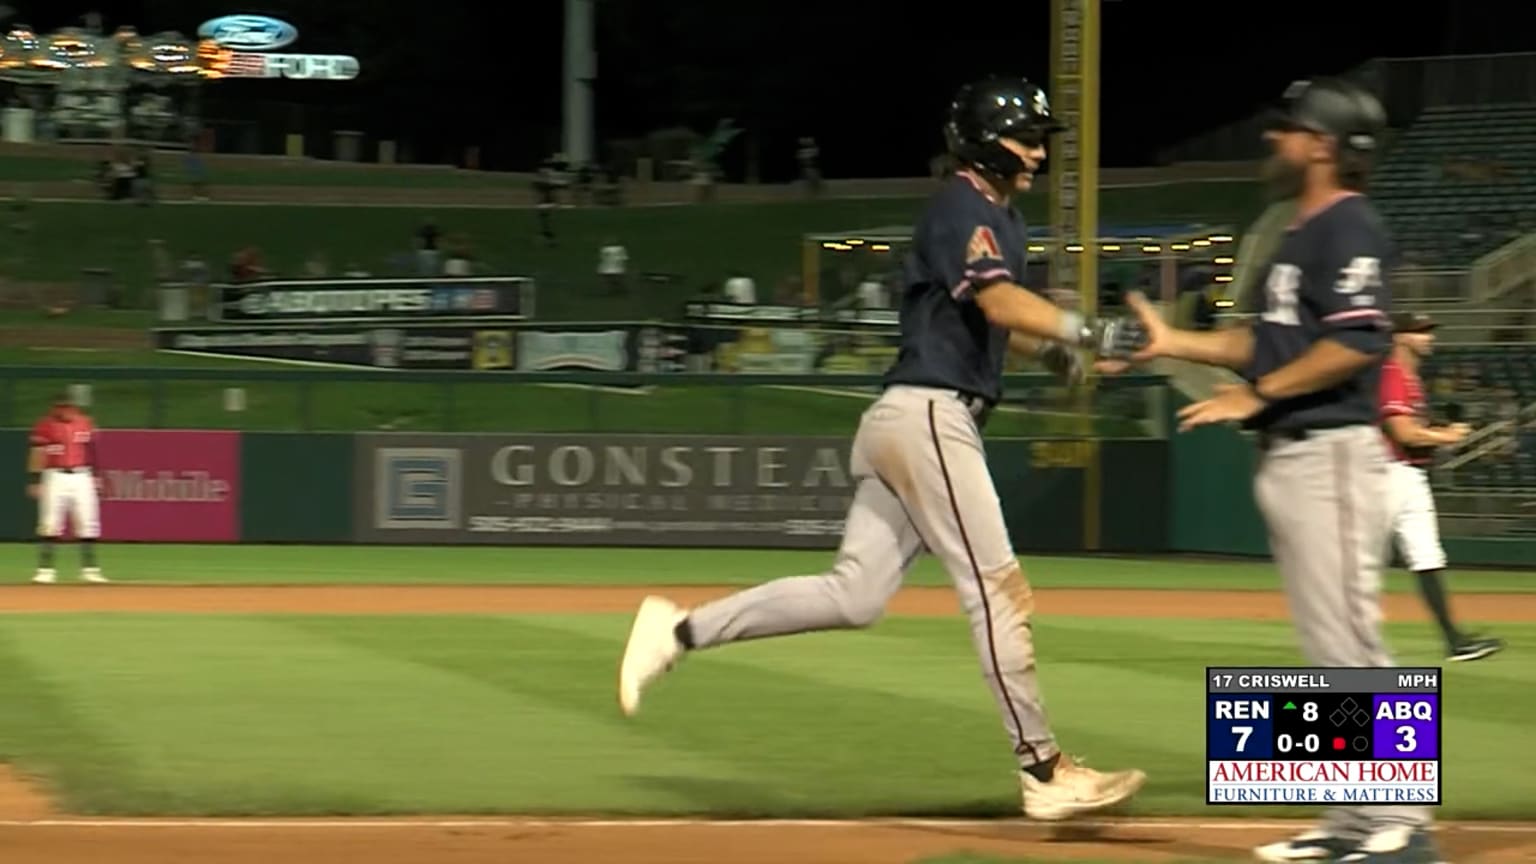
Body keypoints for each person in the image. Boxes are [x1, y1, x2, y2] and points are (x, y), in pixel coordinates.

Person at [617, 75, 1148, 822]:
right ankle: (1044, 768)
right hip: (931, 416)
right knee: (997, 589)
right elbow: (997, 301)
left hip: (913, 415)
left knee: (855, 594)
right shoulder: (962, 205)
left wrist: (1060, 352)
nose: (1038, 151)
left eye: (1039, 139)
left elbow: (997, 323)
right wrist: (1089, 331)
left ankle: (678, 629)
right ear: (983, 141)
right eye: (1026, 138)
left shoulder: (998, 216)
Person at [1116, 78, 1440, 863]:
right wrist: (1176, 344)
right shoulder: (1302, 234)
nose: (1275, 139)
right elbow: (1267, 341)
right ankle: (1349, 825)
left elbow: (1359, 343)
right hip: (1297, 459)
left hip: (1332, 455)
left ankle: (1402, 829)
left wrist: (1254, 395)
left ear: (1325, 146)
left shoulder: (1351, 226)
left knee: (1351, 645)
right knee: (1328, 647)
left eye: (1290, 129)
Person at [1380, 311, 1503, 663]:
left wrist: (1437, 430)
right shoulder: (1391, 375)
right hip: (1385, 473)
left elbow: (1414, 429)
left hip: (1410, 475)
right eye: (1420, 331)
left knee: (1427, 556)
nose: (1429, 336)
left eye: (1429, 330)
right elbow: (1403, 434)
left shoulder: (1410, 379)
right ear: (1400, 337)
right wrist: (1445, 436)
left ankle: (1455, 642)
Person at [29, 393, 106, 584]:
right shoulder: (45, 425)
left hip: (82, 475)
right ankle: (45, 570)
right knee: (50, 522)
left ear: (73, 407)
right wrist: (35, 479)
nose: (62, 410)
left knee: (88, 521)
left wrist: (97, 475)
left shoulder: (85, 422)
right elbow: (37, 453)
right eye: (59, 407)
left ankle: (90, 569)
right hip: (54, 475)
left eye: (66, 406)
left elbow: (92, 451)